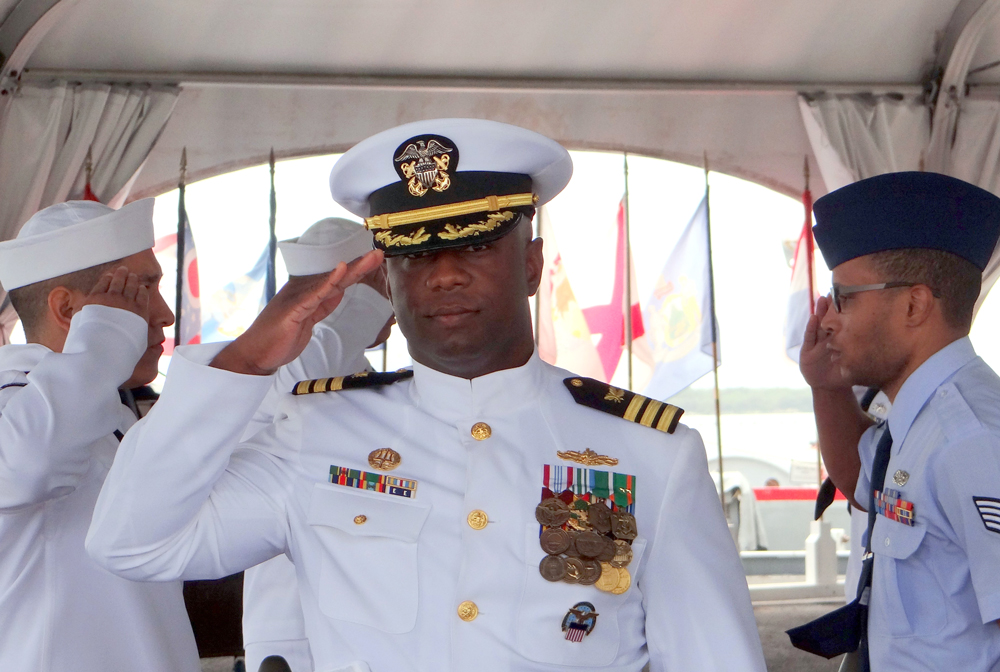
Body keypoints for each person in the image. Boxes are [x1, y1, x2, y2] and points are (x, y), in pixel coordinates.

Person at [87, 118, 766, 672]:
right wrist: (245, 361)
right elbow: (132, 543)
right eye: (412, 253)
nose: (441, 277)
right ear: (386, 280)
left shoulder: (650, 451)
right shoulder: (313, 431)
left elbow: (713, 658)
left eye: (473, 248)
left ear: (529, 265)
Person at [794, 172, 1000, 671]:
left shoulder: (970, 439)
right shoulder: (917, 419)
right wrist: (827, 385)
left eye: (845, 297)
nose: (827, 318)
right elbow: (862, 482)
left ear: (914, 304)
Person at [0, 200, 199, 672]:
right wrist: (106, 341)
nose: (166, 314)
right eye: (141, 291)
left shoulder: (106, 411)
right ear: (69, 310)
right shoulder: (16, 405)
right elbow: (23, 466)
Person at [243, 217, 394, 672]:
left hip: (368, 625)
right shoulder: (284, 364)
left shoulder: (359, 371)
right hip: (296, 631)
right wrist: (365, 297)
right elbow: (304, 373)